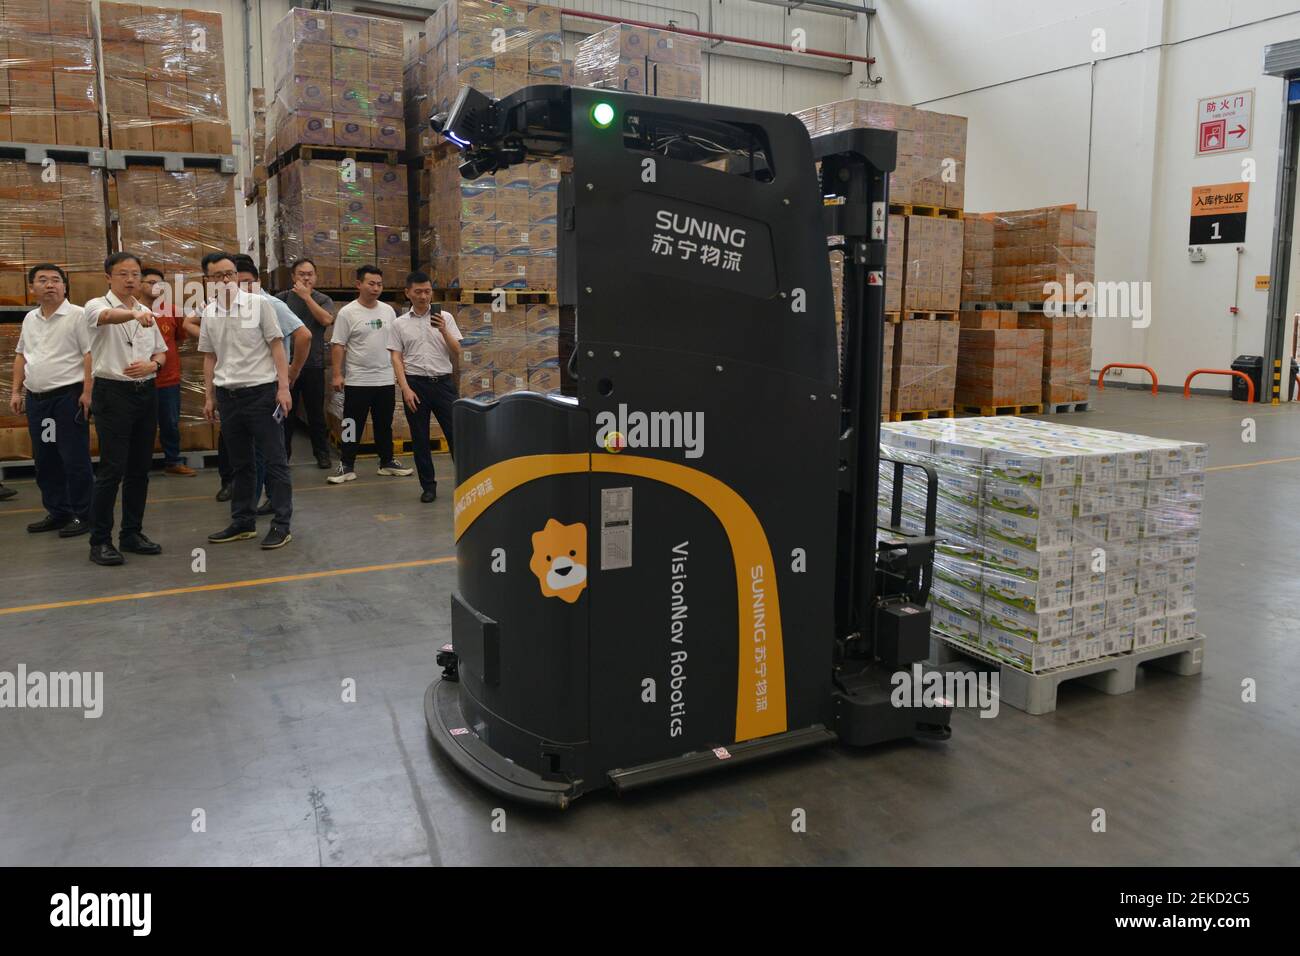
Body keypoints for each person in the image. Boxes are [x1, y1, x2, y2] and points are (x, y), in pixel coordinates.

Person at [197, 253, 294, 550]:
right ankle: (243, 522)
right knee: (241, 465)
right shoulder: (209, 313)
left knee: (275, 462)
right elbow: (210, 356)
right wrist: (210, 396)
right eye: (218, 275)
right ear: (208, 280)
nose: (226, 280)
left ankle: (281, 524)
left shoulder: (259, 305)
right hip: (229, 397)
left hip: (262, 394)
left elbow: (277, 347)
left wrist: (284, 388)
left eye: (230, 273)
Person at [83, 252, 169, 566]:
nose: (130, 279)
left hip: (145, 393)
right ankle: (100, 541)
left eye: (134, 273)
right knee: (111, 469)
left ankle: (132, 533)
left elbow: (161, 351)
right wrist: (132, 316)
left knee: (140, 469)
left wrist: (153, 365)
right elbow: (106, 319)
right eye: (123, 274)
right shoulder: (95, 305)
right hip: (112, 393)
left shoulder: (146, 310)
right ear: (108, 277)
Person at [10, 263, 94, 537]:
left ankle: (84, 514)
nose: (50, 285)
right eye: (43, 280)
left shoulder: (78, 316)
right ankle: (59, 512)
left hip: (67, 399)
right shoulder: (30, 319)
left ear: (65, 286)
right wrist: (16, 391)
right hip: (39, 401)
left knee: (73, 458)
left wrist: (87, 392)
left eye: (56, 280)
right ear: (31, 287)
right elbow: (22, 355)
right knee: (46, 458)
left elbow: (90, 355)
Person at [234, 255, 309, 515]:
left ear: (257, 281)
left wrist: (292, 372)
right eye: (237, 282)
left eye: (247, 282)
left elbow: (304, 335)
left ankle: (271, 510)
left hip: (269, 389)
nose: (243, 288)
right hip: (245, 390)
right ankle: (256, 505)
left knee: (268, 454)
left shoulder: (270, 304)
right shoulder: (233, 307)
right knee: (253, 454)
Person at [327, 265, 412, 484]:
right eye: (371, 283)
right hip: (358, 380)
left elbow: (395, 345)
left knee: (384, 424)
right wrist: (337, 375)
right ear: (359, 284)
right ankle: (346, 465)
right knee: (351, 424)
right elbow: (338, 345)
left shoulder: (388, 310)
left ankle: (387, 462)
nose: (376, 288)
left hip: (384, 379)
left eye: (379, 284)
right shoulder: (348, 312)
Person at [389, 271, 461, 503]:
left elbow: (457, 351)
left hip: (443, 385)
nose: (423, 296)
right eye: (418, 291)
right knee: (420, 438)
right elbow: (396, 358)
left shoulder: (446, 317)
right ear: (408, 293)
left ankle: (465, 484)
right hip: (415, 385)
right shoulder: (399, 324)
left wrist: (443, 330)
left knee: (456, 435)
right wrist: (405, 388)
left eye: (427, 291)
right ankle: (428, 487)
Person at [276, 258, 336, 469]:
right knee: (286, 414)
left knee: (315, 414)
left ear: (316, 276)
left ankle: (321, 454)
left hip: (313, 365)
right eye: (301, 274)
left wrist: (307, 297)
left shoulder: (322, 299)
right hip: (286, 368)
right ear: (293, 277)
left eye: (310, 274)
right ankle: (283, 456)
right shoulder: (281, 299)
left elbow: (326, 320)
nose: (306, 277)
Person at [142, 266, 196, 477]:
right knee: (142, 426)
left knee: (170, 423)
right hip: (139, 379)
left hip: (168, 379)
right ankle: (139, 465)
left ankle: (173, 461)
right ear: (140, 284)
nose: (156, 287)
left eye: (160, 284)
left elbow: (179, 337)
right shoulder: (132, 311)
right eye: (151, 283)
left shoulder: (171, 310)